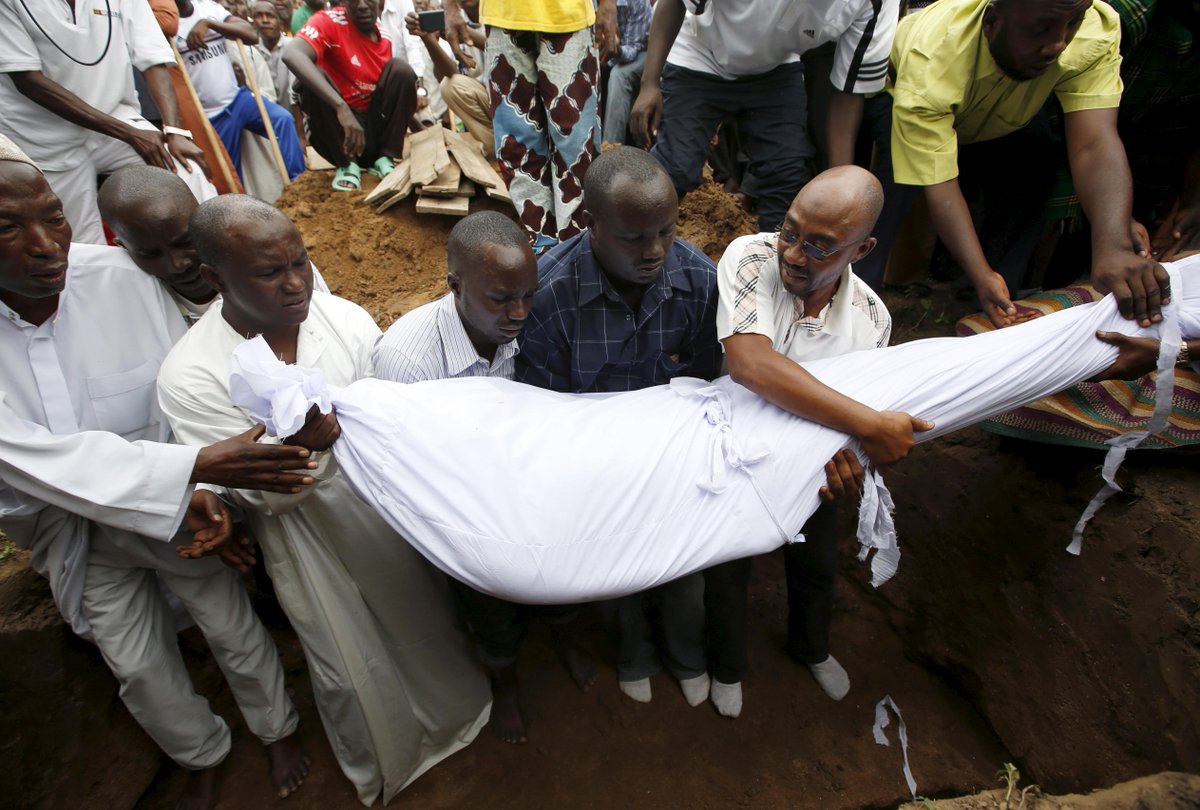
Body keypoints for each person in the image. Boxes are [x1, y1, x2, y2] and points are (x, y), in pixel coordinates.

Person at [0, 135, 315, 810]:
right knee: (135, 663)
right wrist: (194, 466)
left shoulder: (119, 279)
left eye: (54, 215)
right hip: (72, 528)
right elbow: (26, 459)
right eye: (8, 227)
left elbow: (176, 390)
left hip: (175, 510)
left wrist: (204, 492)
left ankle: (277, 730)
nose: (46, 243)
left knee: (228, 623)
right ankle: (200, 751)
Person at [157, 195, 491, 804]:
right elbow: (254, 494)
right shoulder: (191, 374)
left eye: (300, 262)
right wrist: (309, 449)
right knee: (346, 658)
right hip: (303, 542)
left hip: (385, 514)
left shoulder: (341, 320)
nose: (295, 285)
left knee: (424, 622)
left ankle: (456, 718)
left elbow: (397, 421)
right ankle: (386, 758)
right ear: (213, 279)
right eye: (268, 272)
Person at [374, 211, 595, 745]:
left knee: (561, 580)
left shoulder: (533, 325)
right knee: (490, 608)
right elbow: (402, 469)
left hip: (533, 488)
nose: (519, 313)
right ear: (454, 286)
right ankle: (506, 682)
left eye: (527, 295)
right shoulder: (406, 361)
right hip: (463, 510)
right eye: (500, 299)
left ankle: (565, 635)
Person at [514, 146, 718, 707]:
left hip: (672, 457)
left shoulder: (699, 281)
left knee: (685, 574)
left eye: (666, 231)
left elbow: (707, 383)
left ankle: (686, 655)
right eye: (633, 237)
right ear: (592, 224)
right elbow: (542, 411)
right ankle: (634, 655)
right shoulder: (549, 297)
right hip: (591, 463)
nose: (653, 251)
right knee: (614, 567)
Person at [855, 0, 1169, 330]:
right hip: (904, 97)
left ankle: (997, 303)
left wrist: (1113, 243)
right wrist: (980, 272)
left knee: (1036, 162)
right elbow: (941, 186)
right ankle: (856, 305)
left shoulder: (1091, 31)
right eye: (1039, 30)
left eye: (1072, 23)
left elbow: (1094, 143)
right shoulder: (932, 59)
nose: (1058, 44)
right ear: (991, 22)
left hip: (1001, 112)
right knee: (891, 186)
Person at [709, 165, 895, 715]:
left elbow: (862, 404)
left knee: (817, 565)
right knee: (726, 564)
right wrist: (866, 426)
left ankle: (811, 647)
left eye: (819, 246)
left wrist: (850, 451)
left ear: (861, 251)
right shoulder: (749, 256)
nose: (792, 253)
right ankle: (727, 665)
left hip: (815, 461)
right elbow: (750, 365)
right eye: (789, 231)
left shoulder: (873, 319)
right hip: (733, 448)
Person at [628, 0, 900, 232]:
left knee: (785, 177)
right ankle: (631, 247)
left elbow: (847, 92)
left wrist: (842, 187)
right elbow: (674, 2)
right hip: (700, 54)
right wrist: (649, 83)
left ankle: (772, 271)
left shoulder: (875, 3)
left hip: (775, 68)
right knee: (676, 168)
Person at [0, 0, 217, 244]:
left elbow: (153, 59)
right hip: (43, 137)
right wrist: (131, 134)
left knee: (186, 168)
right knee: (79, 241)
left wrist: (175, 131)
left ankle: (213, 262)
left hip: (116, 119)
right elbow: (29, 80)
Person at [442, 0, 619, 252]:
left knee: (575, 143)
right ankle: (544, 253)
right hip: (503, 16)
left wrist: (608, 4)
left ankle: (579, 250)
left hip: (568, 16)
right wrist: (450, 6)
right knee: (517, 147)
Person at [96, 164, 330, 324]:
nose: (178, 263)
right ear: (123, 248)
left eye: (185, 241)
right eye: (151, 253)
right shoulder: (133, 310)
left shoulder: (278, 268)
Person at [283, 0, 420, 191]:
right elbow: (291, 53)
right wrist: (341, 107)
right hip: (337, 134)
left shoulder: (385, 36)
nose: (362, 5)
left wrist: (419, 128)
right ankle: (347, 165)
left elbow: (392, 95)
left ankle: (385, 158)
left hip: (371, 136)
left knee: (401, 70)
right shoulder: (327, 21)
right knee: (308, 81)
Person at [174, 0, 307, 183]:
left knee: (282, 120)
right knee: (231, 175)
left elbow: (251, 35)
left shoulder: (208, 9)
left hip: (237, 99)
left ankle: (298, 180)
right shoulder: (167, 23)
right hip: (210, 114)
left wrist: (209, 24)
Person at [404, 1, 493, 151]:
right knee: (450, 85)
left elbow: (505, 52)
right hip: (487, 102)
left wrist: (464, 31)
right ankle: (495, 147)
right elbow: (447, 74)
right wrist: (429, 40)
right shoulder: (452, 16)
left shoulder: (501, 11)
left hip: (514, 96)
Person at [602, 0, 651, 146]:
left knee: (619, 75)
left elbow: (633, 49)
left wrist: (616, 49)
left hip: (645, 54)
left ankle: (610, 147)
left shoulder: (637, 3)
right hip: (609, 56)